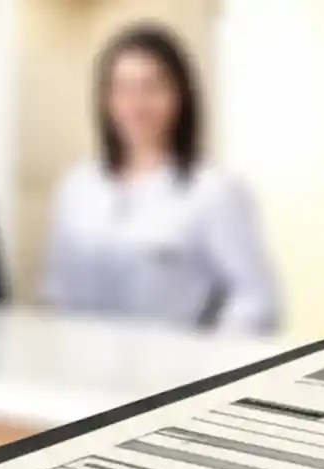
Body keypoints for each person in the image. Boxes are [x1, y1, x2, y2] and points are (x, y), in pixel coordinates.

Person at [43, 25, 278, 332]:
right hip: (71, 369)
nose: (136, 105)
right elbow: (55, 292)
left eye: (151, 88)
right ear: (106, 100)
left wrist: (212, 363)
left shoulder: (214, 192)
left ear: (180, 97)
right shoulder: (77, 186)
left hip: (174, 372)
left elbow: (256, 300)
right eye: (122, 89)